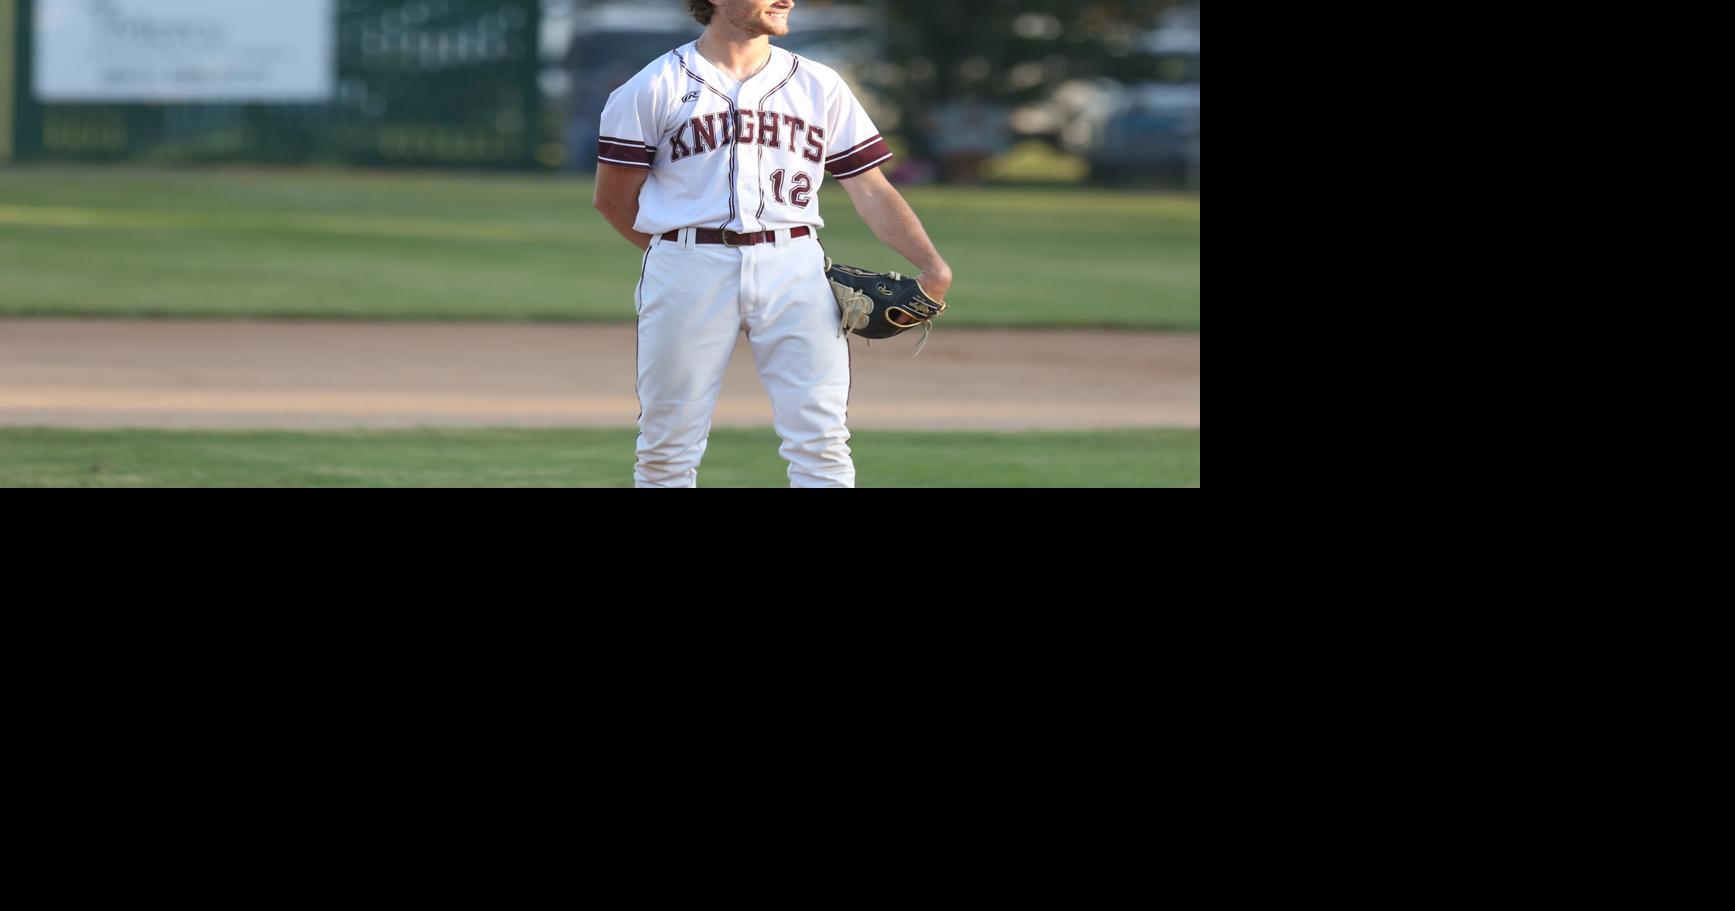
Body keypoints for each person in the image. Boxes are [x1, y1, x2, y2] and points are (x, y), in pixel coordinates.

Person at [593, 0, 953, 488]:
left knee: (821, 441)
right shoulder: (654, 86)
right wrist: (682, 256)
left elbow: (871, 188)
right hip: (686, 266)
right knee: (666, 446)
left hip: (796, 264)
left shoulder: (818, 84)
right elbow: (614, 201)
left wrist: (932, 266)